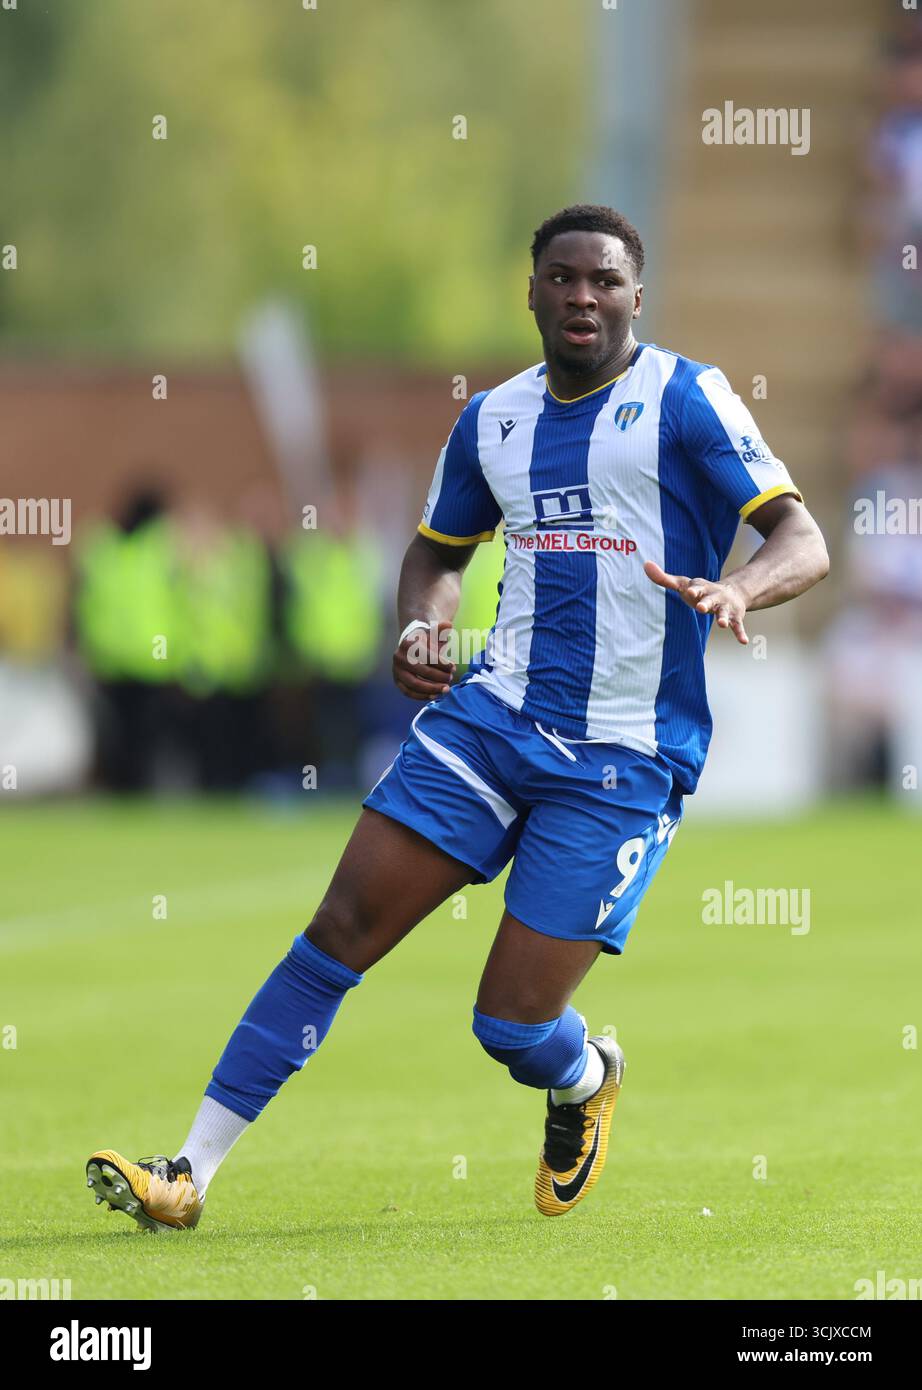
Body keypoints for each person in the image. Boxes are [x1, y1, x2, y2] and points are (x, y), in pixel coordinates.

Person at [86, 205, 829, 1230]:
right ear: (529, 291)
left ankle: (584, 1076)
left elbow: (802, 536)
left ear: (636, 297)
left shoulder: (685, 398)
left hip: (621, 754)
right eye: (562, 278)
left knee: (510, 1024)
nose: (582, 297)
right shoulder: (492, 420)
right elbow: (437, 554)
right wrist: (418, 629)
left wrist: (743, 588)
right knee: (339, 927)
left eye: (604, 281)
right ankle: (189, 1172)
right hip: (489, 720)